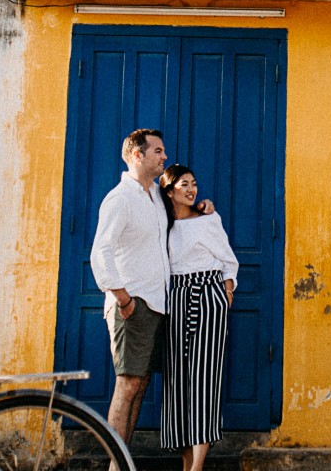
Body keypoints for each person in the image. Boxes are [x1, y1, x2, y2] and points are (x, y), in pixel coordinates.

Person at [90, 128, 171, 443]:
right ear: (137, 155)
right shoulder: (120, 199)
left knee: (141, 383)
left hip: (156, 304)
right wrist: (123, 299)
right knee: (127, 385)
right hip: (132, 305)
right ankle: (115, 463)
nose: (164, 156)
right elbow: (101, 252)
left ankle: (122, 459)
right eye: (157, 151)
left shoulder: (157, 197)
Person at [159, 164, 237, 471]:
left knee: (206, 377)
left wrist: (226, 292)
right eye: (184, 184)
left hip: (208, 294)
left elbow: (228, 259)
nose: (192, 189)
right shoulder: (160, 222)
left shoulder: (209, 219)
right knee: (177, 380)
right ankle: (186, 462)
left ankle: (197, 466)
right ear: (169, 191)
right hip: (176, 297)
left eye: (193, 183)